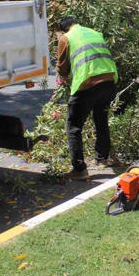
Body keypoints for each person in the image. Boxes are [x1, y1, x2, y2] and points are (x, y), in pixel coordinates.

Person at [56, 17, 118, 179]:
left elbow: (62, 66)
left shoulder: (66, 38)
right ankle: (102, 158)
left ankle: (79, 169)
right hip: (109, 82)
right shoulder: (95, 32)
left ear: (64, 29)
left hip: (87, 83)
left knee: (74, 127)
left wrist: (63, 78)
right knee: (101, 119)